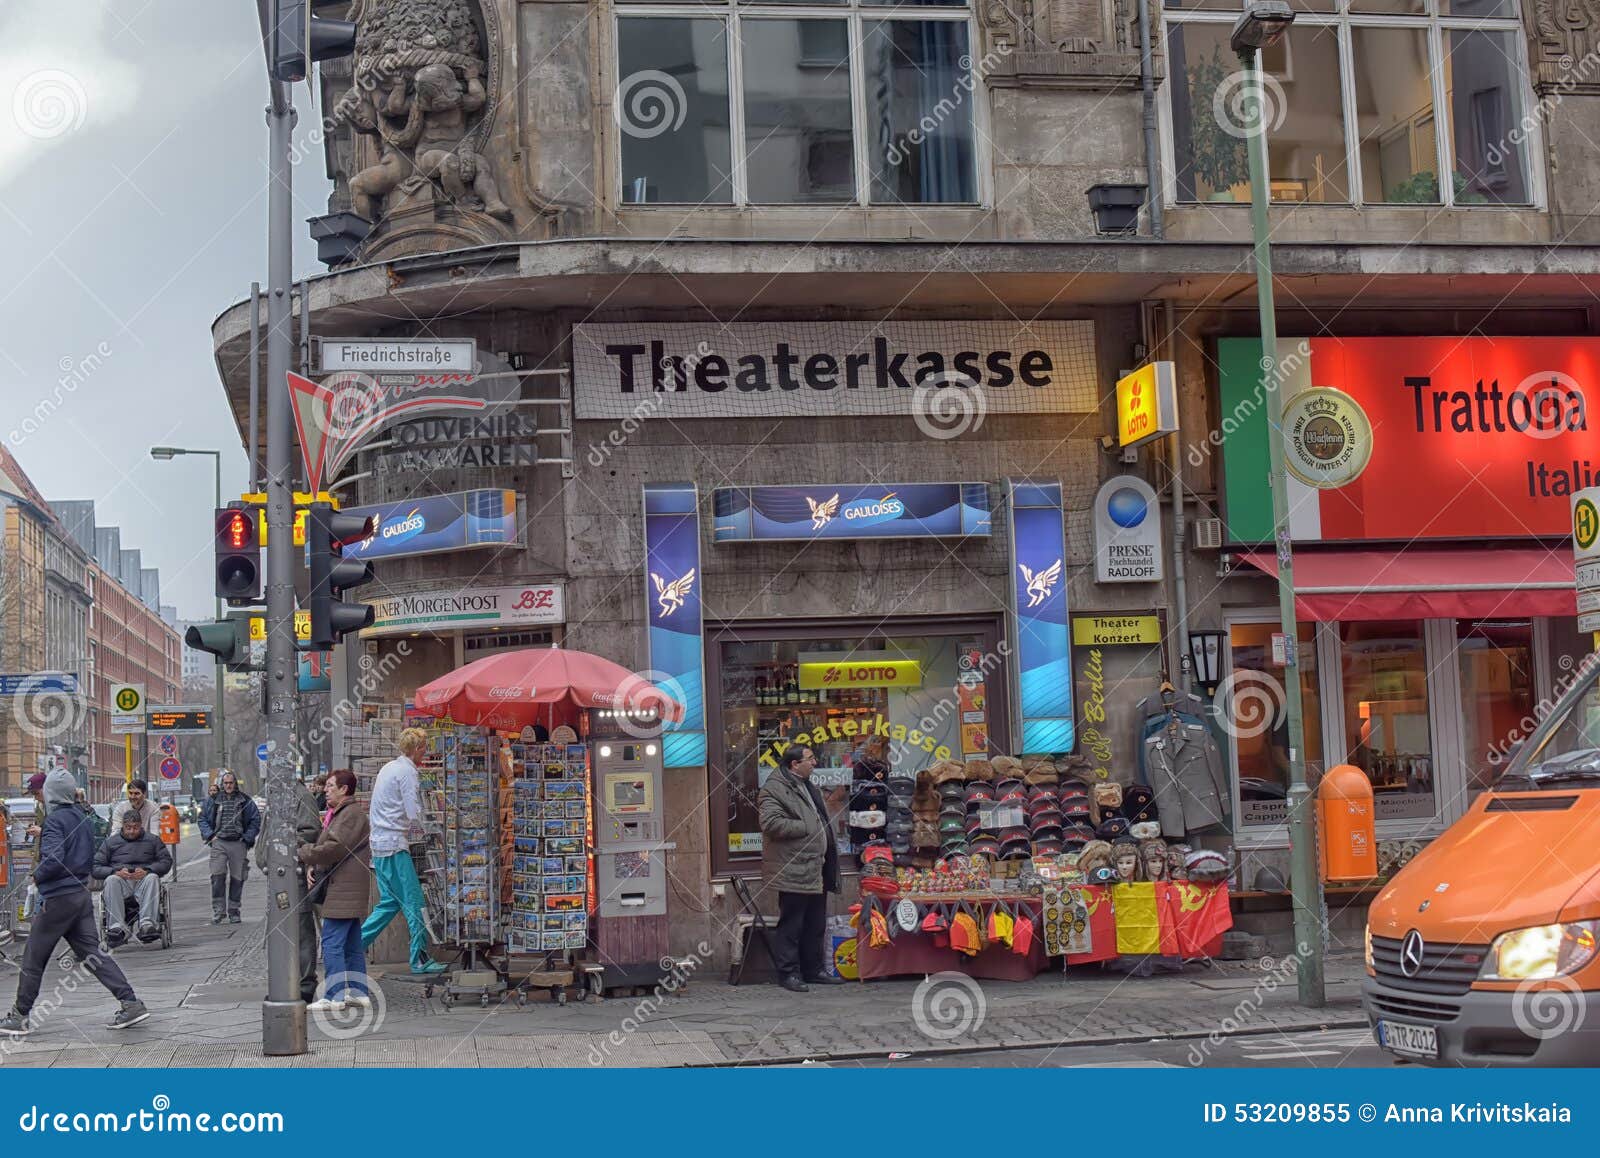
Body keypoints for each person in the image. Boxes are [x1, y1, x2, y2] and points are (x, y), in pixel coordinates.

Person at [0, 770, 148, 1037]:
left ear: (53, 793)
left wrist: (38, 875)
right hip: (80, 895)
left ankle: (19, 1016)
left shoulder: (56, 820)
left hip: (58, 898)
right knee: (94, 954)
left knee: (33, 956)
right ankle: (130, 1002)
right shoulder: (80, 817)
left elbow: (53, 858)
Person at [360, 728, 446, 974]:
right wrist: (435, 827)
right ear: (418, 748)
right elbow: (413, 811)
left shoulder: (389, 767)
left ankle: (354, 946)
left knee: (390, 903)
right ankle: (419, 959)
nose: (426, 752)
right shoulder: (408, 772)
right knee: (416, 902)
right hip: (395, 846)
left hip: (379, 846)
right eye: (424, 747)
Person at [757, 746, 841, 993]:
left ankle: (813, 970)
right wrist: (807, 826)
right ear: (794, 764)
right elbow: (771, 823)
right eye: (810, 759)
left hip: (817, 864)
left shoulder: (807, 785)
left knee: (815, 923)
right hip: (793, 865)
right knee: (792, 924)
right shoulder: (774, 789)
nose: (815, 762)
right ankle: (788, 973)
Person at [299, 770, 372, 1011]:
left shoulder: (349, 814)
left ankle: (334, 996)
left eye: (331, 786)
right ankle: (359, 992)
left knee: (331, 942)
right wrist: (315, 863)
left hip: (344, 887)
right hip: (347, 885)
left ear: (344, 789)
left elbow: (335, 847)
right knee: (351, 942)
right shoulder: (342, 813)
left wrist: (305, 852)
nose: (325, 789)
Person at [254, 775, 326, 1004]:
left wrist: (282, 847)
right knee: (280, 927)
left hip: (292, 873)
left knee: (300, 927)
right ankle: (286, 982)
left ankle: (305, 982)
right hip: (276, 874)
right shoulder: (278, 796)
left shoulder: (301, 796)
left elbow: (309, 830)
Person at [93, 811, 172, 945]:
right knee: (111, 880)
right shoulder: (110, 843)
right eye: (128, 827)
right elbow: (95, 867)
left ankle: (147, 925)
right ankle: (116, 927)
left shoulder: (152, 840)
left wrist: (148, 870)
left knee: (152, 878)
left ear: (141, 825)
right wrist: (114, 871)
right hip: (122, 883)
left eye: (135, 827)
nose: (131, 831)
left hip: (143, 881)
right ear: (123, 826)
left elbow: (166, 861)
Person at [199, 771, 260, 924]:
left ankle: (234, 910)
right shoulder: (213, 800)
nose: (228, 786)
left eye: (231, 783)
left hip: (238, 843)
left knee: (237, 878)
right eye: (225, 783)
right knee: (217, 876)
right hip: (219, 842)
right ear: (222, 784)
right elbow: (202, 819)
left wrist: (247, 838)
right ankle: (219, 911)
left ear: (235, 784)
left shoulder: (245, 800)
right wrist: (210, 835)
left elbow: (255, 820)